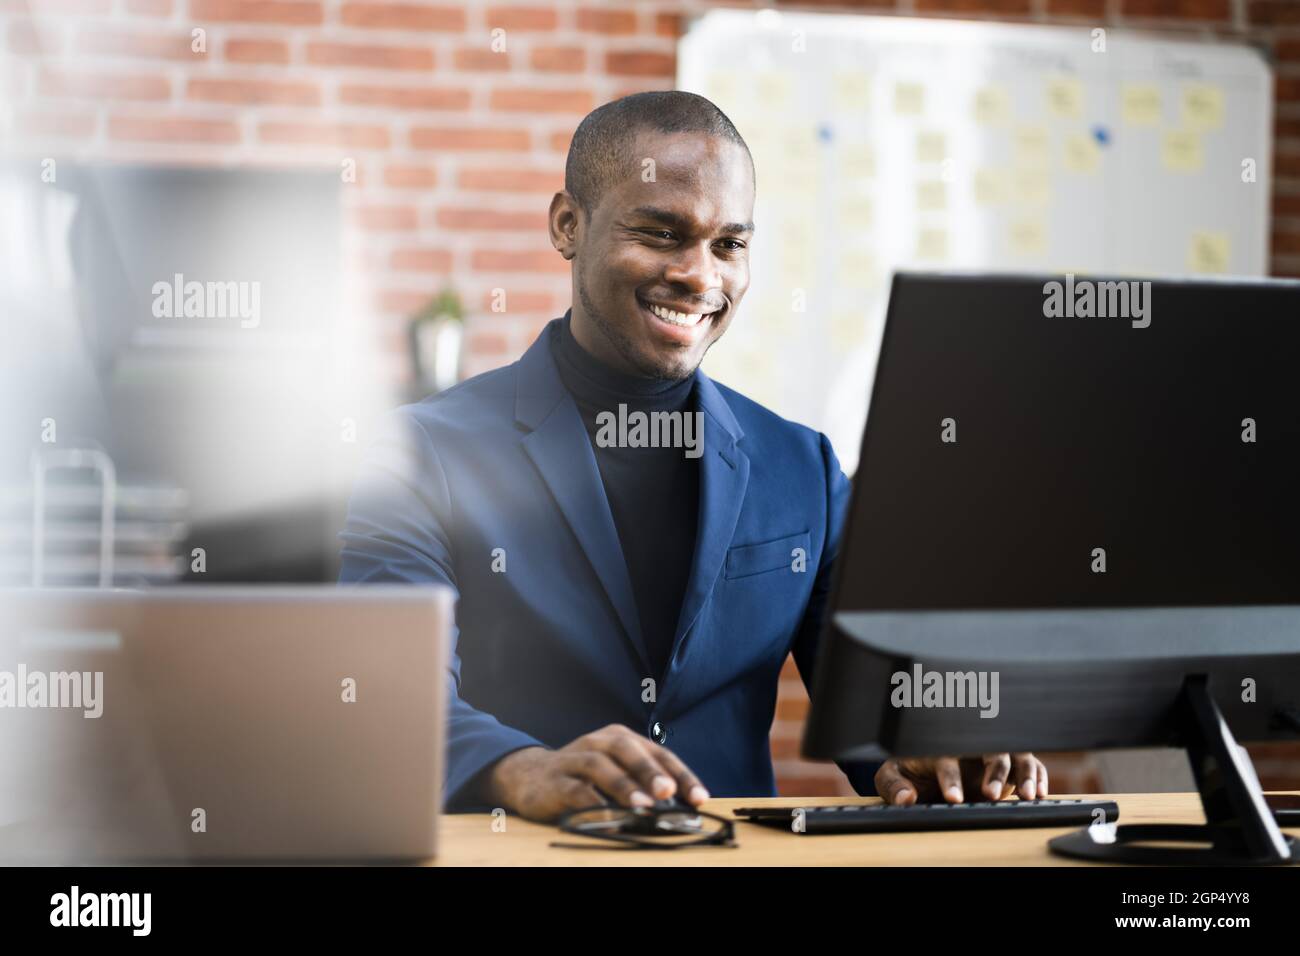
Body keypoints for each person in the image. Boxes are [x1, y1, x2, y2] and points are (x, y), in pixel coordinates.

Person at [339, 91, 1047, 821]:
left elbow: (875, 699)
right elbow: (384, 692)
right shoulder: (420, 454)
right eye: (661, 232)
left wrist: (930, 749)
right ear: (567, 225)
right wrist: (521, 770)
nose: (700, 276)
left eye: (729, 244)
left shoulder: (800, 466)